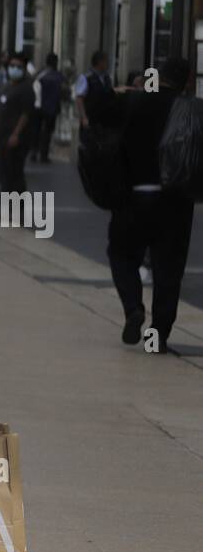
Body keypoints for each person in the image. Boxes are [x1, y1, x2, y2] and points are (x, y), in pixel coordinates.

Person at [104, 56, 195, 352]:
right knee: (168, 270)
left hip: (134, 197)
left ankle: (133, 307)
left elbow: (104, 128)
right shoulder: (188, 110)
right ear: (187, 81)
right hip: (176, 202)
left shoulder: (136, 103)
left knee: (121, 254)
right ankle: (158, 337)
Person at [0, 52, 34, 193]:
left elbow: (25, 114)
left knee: (14, 172)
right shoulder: (5, 87)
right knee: (2, 171)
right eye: (12, 66)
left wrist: (16, 134)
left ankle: (16, 208)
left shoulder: (26, 88)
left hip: (17, 139)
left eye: (18, 66)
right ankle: (6, 203)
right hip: (1, 136)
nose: (14, 69)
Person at [33, 52, 63, 163]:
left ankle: (34, 152)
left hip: (38, 107)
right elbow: (62, 93)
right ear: (55, 62)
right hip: (51, 108)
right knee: (47, 132)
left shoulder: (40, 74)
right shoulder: (58, 76)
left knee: (36, 130)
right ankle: (43, 154)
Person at [74, 50, 113, 132]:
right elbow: (79, 99)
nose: (108, 64)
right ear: (100, 62)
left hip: (104, 120)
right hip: (90, 119)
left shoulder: (107, 78)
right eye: (106, 61)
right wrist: (84, 118)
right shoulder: (86, 78)